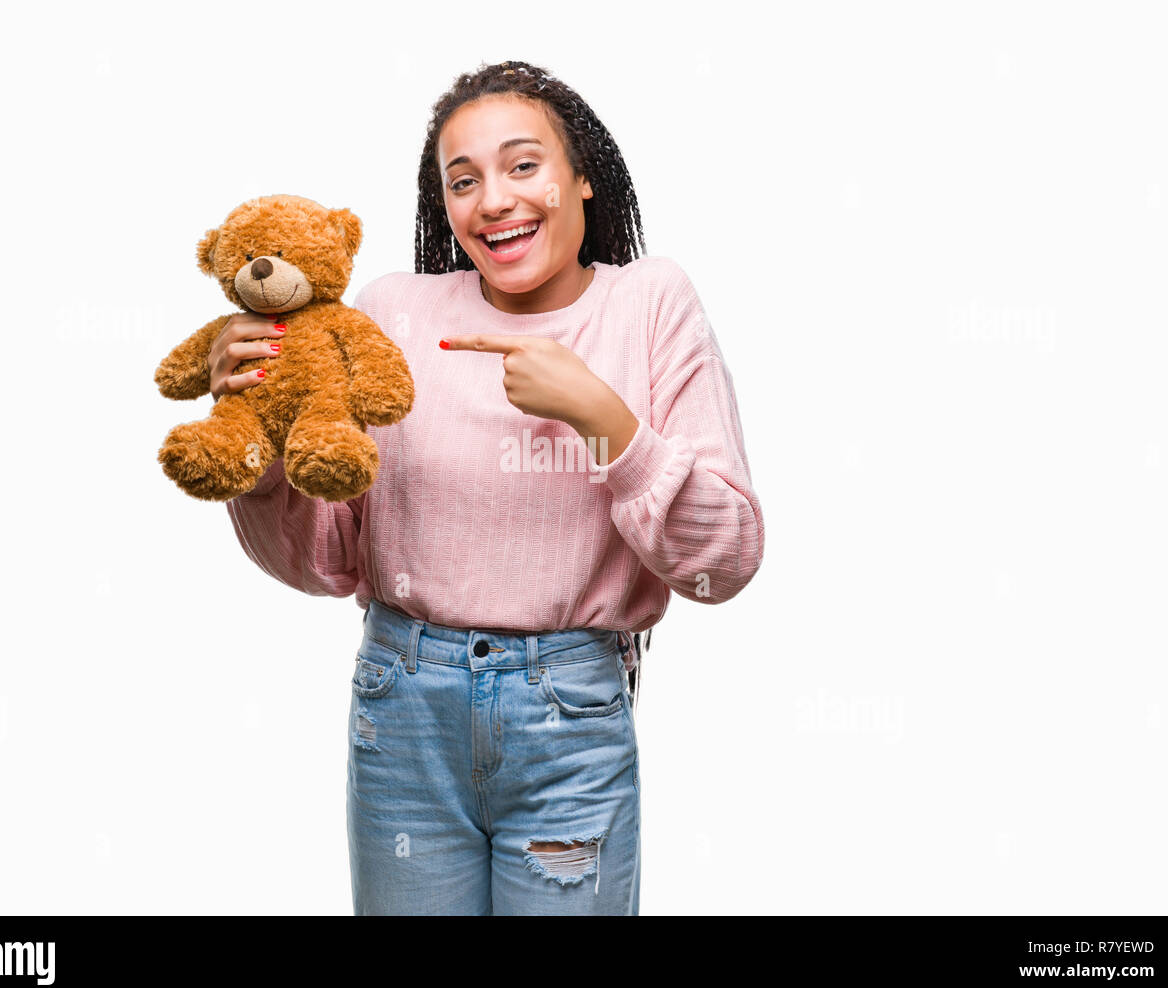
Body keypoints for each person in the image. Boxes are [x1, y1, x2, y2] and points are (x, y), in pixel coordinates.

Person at [209, 60, 764, 915]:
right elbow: (326, 558)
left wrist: (603, 419)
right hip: (401, 714)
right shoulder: (393, 313)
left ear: (582, 179)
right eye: (462, 181)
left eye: (523, 165)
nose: (493, 199)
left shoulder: (650, 304)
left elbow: (722, 562)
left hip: (569, 719)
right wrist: (259, 450)